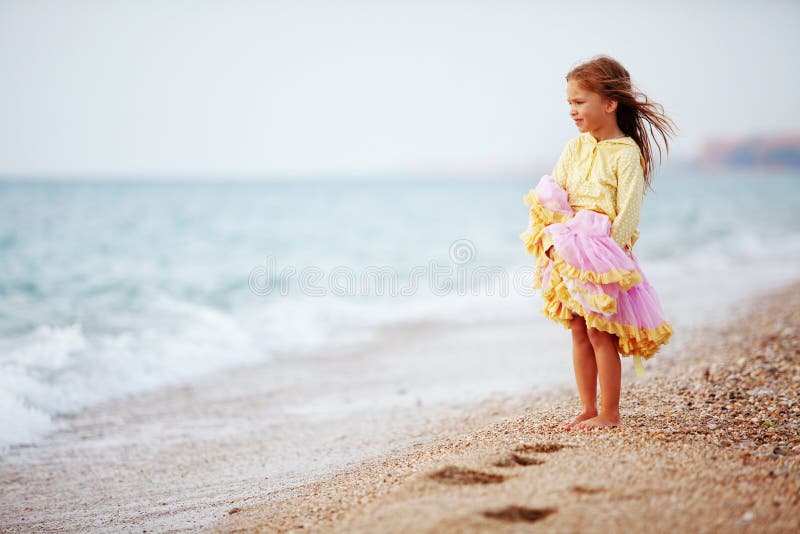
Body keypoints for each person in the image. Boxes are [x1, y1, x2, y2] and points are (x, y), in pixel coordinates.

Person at [520, 55, 676, 431]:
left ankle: (610, 412)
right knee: (577, 328)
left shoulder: (626, 154)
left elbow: (629, 213)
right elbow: (554, 194)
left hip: (605, 254)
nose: (572, 111)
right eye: (569, 104)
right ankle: (588, 407)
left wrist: (611, 257)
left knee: (599, 331)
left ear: (609, 103)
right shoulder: (574, 149)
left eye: (579, 102)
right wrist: (551, 240)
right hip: (569, 248)